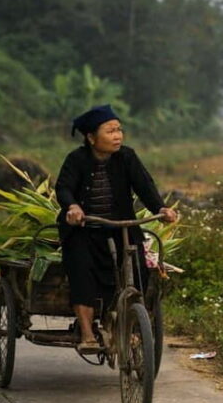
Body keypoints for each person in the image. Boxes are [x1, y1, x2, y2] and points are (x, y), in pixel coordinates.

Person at [55, 104, 177, 354]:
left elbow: (145, 186)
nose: (118, 136)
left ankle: (130, 325)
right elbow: (63, 188)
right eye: (110, 131)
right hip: (84, 231)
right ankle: (87, 333)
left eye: (119, 130)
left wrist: (162, 208)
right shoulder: (76, 159)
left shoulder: (127, 157)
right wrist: (73, 207)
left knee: (139, 267)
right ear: (91, 138)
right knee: (80, 269)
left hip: (121, 228)